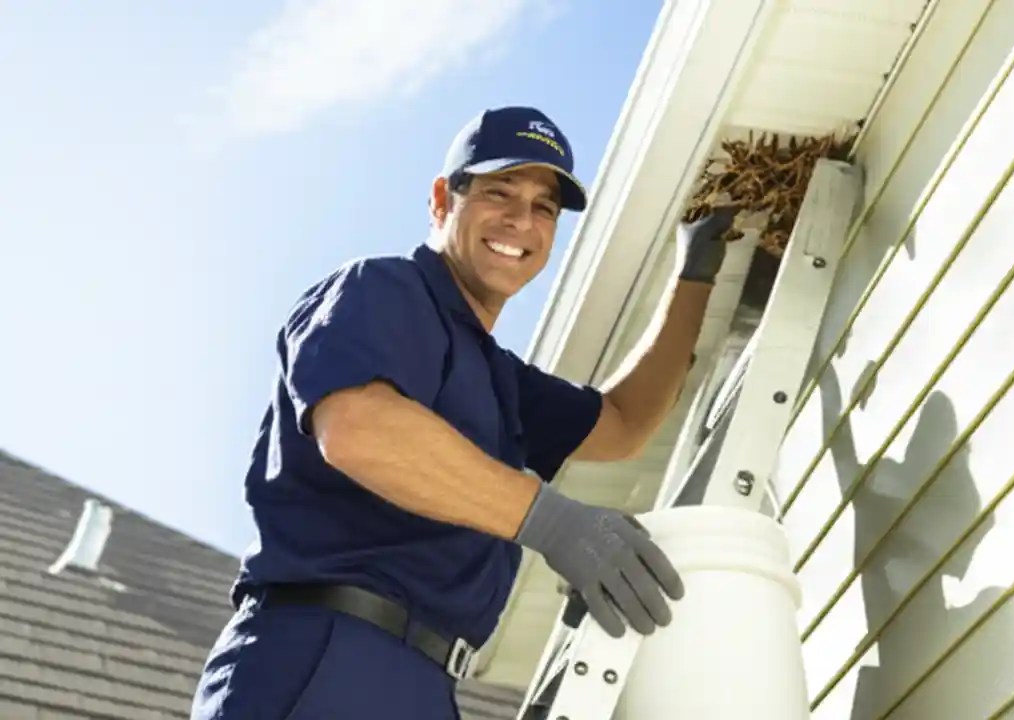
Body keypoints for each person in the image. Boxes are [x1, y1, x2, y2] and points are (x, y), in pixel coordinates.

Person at [190, 106, 738, 719]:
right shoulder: (384, 290)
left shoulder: (497, 376)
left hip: (425, 679)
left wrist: (695, 277)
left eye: (544, 208)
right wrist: (554, 524)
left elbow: (622, 423)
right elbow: (358, 428)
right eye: (499, 192)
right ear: (442, 200)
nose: (520, 221)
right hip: (328, 652)